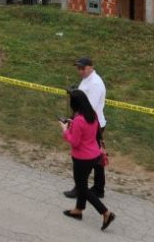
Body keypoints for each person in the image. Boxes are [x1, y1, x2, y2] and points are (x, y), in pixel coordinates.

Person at [59, 89, 115, 231]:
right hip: (93, 155)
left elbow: (74, 142)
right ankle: (78, 209)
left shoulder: (79, 120)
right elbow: (89, 132)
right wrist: (73, 124)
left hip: (81, 158)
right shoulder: (93, 115)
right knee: (82, 183)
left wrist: (65, 129)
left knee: (82, 187)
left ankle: (105, 212)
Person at [65, 56, 108, 200]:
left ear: (91, 67)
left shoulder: (95, 83)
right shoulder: (87, 79)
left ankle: (81, 188)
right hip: (89, 122)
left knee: (84, 157)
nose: (80, 71)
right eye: (78, 68)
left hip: (92, 124)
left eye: (83, 68)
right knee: (95, 158)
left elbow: (90, 107)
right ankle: (98, 188)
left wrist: (76, 118)